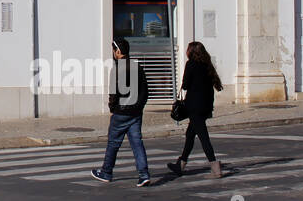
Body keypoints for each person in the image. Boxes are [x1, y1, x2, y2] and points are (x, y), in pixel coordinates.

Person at [91, 37, 152, 186]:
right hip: (135, 113)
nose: (113, 53)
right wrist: (139, 107)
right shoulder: (138, 67)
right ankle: (144, 174)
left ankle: (106, 172)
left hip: (121, 112)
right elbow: (145, 92)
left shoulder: (117, 69)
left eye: (113, 50)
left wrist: (112, 109)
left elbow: (114, 93)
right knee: (137, 143)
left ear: (118, 51)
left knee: (113, 143)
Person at [167, 41, 224, 178]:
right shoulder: (207, 65)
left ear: (191, 52)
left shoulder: (191, 64)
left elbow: (185, 85)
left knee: (204, 137)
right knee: (190, 135)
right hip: (206, 106)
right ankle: (181, 164)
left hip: (194, 107)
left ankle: (215, 167)